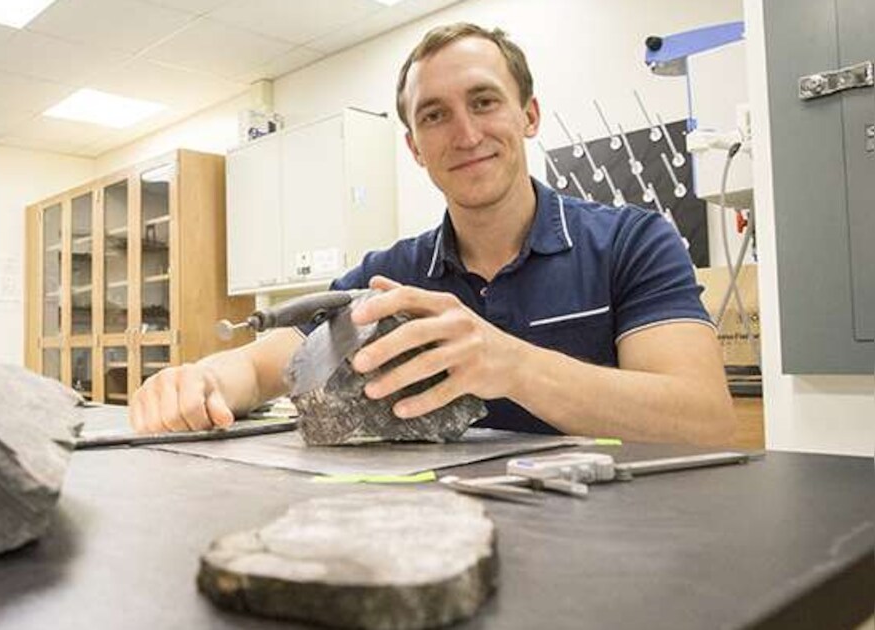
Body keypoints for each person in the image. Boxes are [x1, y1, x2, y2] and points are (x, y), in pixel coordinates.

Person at [128, 22, 736, 446]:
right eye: (435, 115)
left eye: (484, 102)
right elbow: (270, 361)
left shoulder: (633, 243)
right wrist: (203, 380)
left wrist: (512, 364)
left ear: (528, 115)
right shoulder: (391, 276)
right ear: (415, 147)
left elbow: (704, 420)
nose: (465, 135)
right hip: (437, 542)